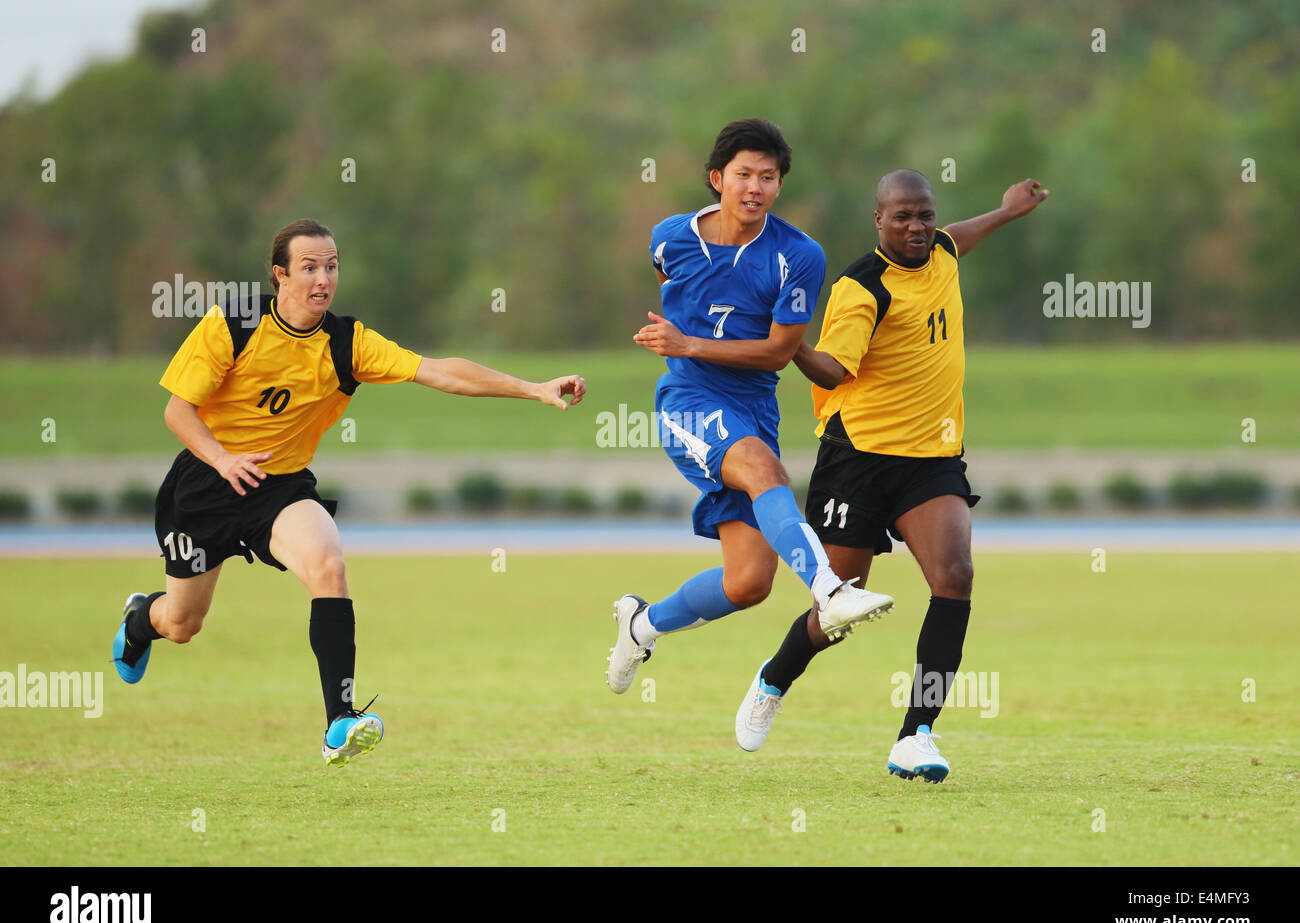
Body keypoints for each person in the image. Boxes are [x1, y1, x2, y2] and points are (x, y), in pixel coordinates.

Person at [111, 218, 585, 767]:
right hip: (203, 485)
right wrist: (223, 458)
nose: (322, 279)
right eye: (309, 267)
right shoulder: (234, 323)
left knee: (328, 565)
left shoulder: (347, 342)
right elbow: (177, 410)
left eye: (331, 266)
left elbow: (440, 373)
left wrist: (533, 388)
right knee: (183, 624)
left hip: (278, 487)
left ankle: (340, 720)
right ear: (279, 275)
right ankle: (140, 619)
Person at [734, 170, 1049, 780]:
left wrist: (1007, 211)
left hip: (931, 460)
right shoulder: (860, 287)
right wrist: (788, 341)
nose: (917, 227)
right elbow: (830, 372)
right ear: (878, 220)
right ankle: (776, 677)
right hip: (858, 461)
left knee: (954, 576)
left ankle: (916, 735)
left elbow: (962, 235)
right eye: (902, 217)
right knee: (838, 611)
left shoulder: (943, 253)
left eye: (925, 215)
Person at [605, 119, 894, 699]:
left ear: (780, 185)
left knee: (748, 583)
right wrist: (686, 354)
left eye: (768, 176)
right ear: (717, 179)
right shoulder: (671, 237)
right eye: (743, 175)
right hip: (689, 401)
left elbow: (779, 353)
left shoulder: (799, 255)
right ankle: (832, 592)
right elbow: (669, 281)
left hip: (755, 407)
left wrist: (689, 341)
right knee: (765, 470)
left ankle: (641, 625)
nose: (754, 187)